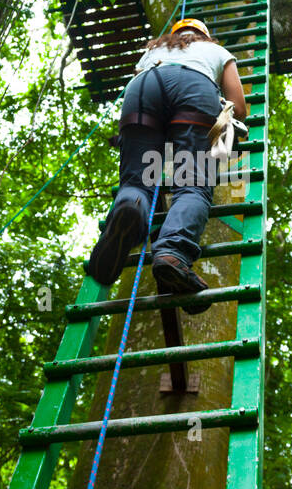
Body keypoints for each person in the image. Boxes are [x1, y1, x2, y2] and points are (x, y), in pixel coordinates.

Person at [87, 17, 248, 310]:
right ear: (205, 36)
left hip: (144, 87)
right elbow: (239, 106)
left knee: (137, 181)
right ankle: (172, 252)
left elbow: (139, 79)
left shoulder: (154, 51)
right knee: (192, 184)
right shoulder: (217, 52)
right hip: (194, 89)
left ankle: (130, 209)